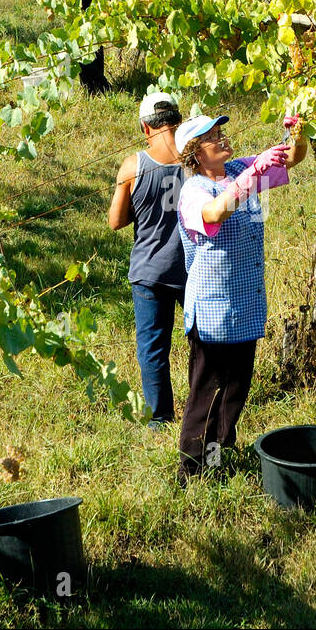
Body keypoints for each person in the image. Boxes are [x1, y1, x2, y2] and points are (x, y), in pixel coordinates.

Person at [174, 111, 307, 484]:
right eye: (213, 136)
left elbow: (293, 157)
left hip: (244, 304)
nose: (222, 138)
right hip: (213, 309)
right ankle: (190, 469)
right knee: (207, 391)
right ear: (196, 153)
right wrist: (253, 175)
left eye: (221, 131)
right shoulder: (193, 191)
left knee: (236, 389)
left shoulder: (235, 169)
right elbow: (215, 213)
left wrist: (298, 130)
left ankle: (217, 459)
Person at [108, 93, 186, 427]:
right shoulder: (197, 160)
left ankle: (160, 419)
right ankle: (206, 408)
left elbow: (115, 221)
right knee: (204, 342)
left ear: (145, 127)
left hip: (149, 272)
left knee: (153, 350)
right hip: (191, 269)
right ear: (178, 122)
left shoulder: (133, 166)